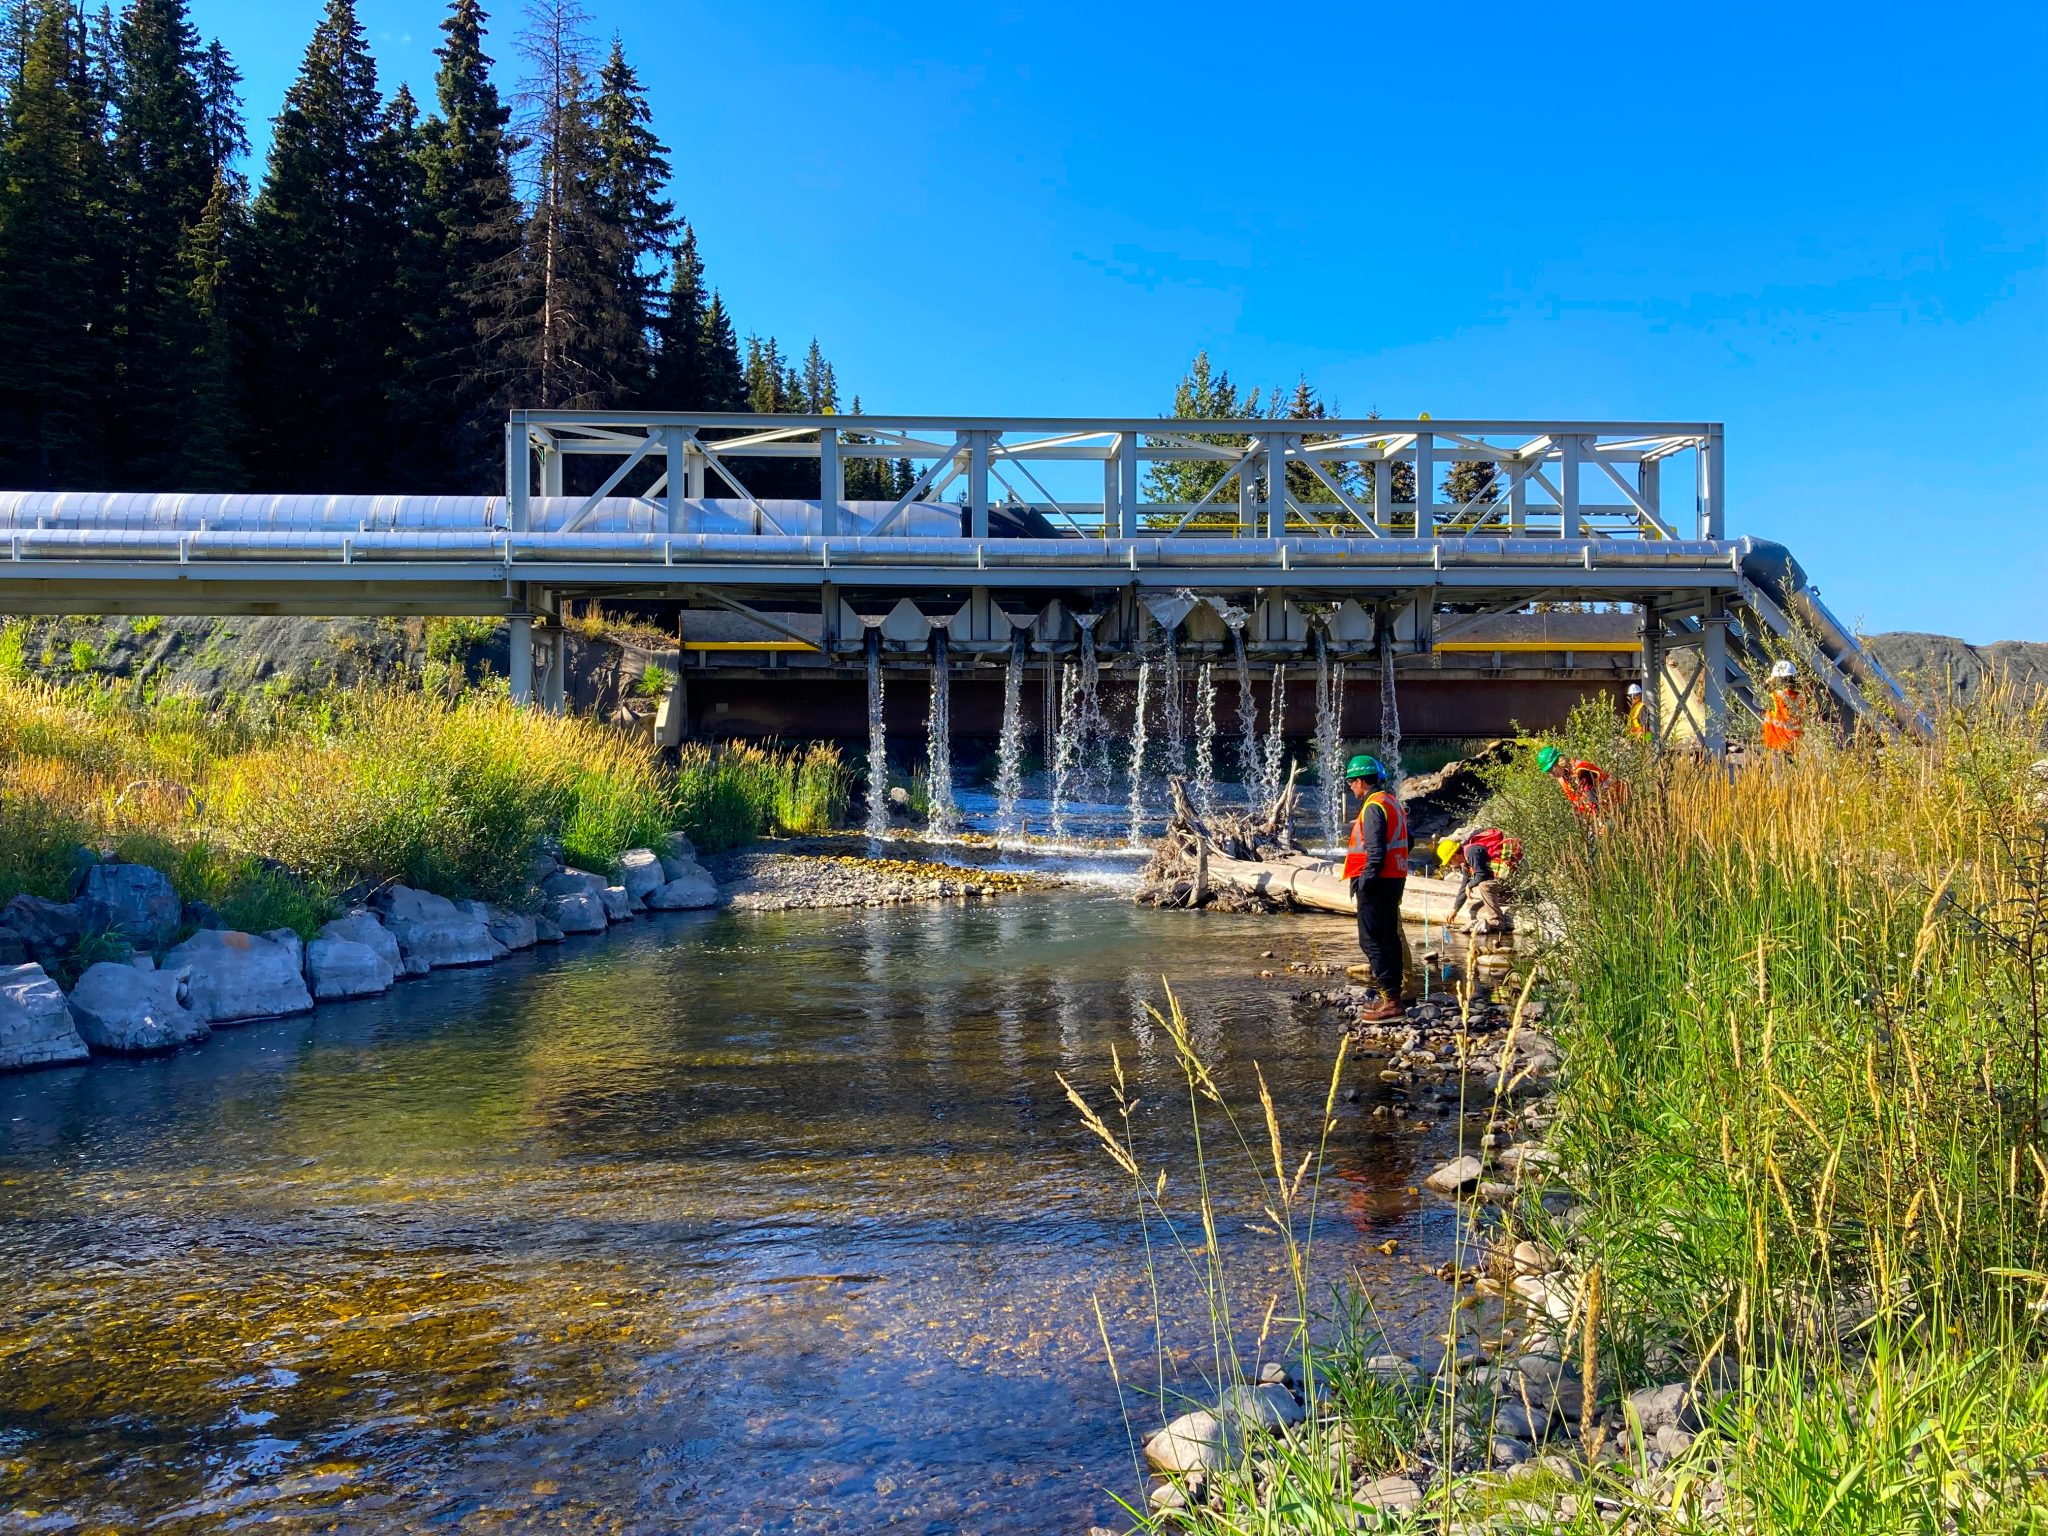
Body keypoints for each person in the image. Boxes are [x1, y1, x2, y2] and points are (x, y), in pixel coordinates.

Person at [1341, 753, 1409, 1022]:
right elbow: (1409, 840)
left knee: (1371, 940)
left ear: (1360, 781)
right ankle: (1393, 998)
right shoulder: (1392, 802)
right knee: (1389, 937)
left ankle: (1390, 999)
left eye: (1350, 782)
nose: (1350, 787)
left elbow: (1375, 852)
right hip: (1394, 878)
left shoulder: (1372, 807)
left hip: (1376, 881)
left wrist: (1365, 883)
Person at [1438, 830, 1519, 934]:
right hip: (1501, 878)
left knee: (1484, 886)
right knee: (1484, 885)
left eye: (1449, 861)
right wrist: (1455, 909)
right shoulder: (1465, 864)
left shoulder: (1472, 852)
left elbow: (1482, 874)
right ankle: (1507, 897)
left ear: (1455, 855)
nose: (1450, 865)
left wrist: (1470, 886)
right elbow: (1464, 886)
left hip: (1511, 874)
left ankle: (1497, 922)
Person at [1537, 744, 1610, 818]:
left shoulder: (1581, 771)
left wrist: (1597, 823)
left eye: (1551, 769)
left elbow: (1594, 803)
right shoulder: (1563, 778)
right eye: (1548, 772)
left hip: (1614, 803)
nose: (1552, 774)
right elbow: (1578, 805)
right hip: (1601, 813)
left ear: (1559, 761)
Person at [1761, 659, 1804, 755]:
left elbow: (1759, 698)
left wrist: (1768, 681)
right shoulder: (1801, 697)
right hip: (1792, 745)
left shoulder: (1775, 696)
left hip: (1775, 745)